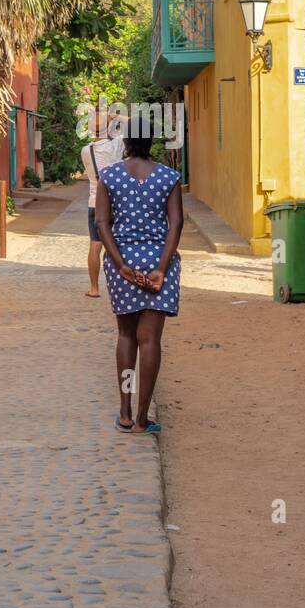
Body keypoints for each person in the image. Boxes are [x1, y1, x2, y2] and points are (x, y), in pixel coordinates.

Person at [94, 134, 183, 434]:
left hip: (124, 262)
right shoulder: (169, 177)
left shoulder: (109, 176)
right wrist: (161, 267)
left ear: (126, 144)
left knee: (127, 337)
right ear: (152, 144)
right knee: (150, 341)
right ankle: (143, 417)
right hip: (161, 260)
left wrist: (121, 265)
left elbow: (102, 223)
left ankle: (124, 412)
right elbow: (176, 223)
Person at [80, 111, 124, 297]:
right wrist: (115, 117)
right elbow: (137, 125)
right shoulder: (115, 145)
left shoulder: (85, 150)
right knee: (119, 245)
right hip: (116, 203)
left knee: (95, 245)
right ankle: (121, 286)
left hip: (94, 202)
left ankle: (94, 288)